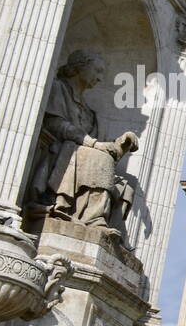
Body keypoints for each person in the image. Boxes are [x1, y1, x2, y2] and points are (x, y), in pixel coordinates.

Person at [34, 50, 139, 238]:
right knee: (98, 158)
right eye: (97, 71)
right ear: (80, 66)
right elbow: (54, 124)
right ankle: (92, 219)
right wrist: (94, 144)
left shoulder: (90, 112)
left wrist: (120, 145)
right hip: (60, 151)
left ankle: (102, 226)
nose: (99, 78)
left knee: (126, 186)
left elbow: (101, 147)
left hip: (80, 153)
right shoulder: (59, 89)